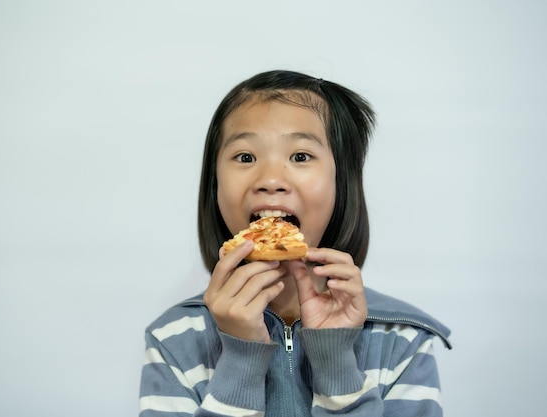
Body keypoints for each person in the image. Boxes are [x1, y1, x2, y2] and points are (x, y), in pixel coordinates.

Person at [139, 70, 451, 416]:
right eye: (245, 157)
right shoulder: (174, 339)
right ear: (214, 186)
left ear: (341, 184)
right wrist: (240, 358)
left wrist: (336, 363)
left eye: (300, 156)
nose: (271, 180)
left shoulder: (401, 341)